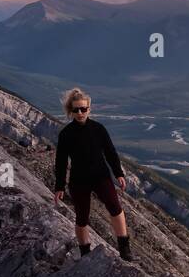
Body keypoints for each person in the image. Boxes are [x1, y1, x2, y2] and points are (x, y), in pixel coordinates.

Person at [52, 88, 132, 261]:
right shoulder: (66, 134)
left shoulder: (98, 129)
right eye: (76, 110)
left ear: (89, 109)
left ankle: (125, 249)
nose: (80, 113)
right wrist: (59, 186)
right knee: (82, 218)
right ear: (70, 111)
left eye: (83, 109)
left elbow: (110, 152)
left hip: (101, 176)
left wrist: (118, 173)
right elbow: (61, 162)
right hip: (79, 181)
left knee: (115, 207)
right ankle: (85, 253)